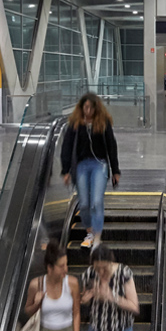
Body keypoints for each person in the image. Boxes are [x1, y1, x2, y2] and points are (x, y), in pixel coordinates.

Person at [61, 93, 121, 248]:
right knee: (84, 203)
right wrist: (65, 170)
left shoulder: (103, 122)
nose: (87, 111)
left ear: (96, 108)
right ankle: (89, 232)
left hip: (99, 164)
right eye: (85, 107)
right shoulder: (75, 123)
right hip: (81, 165)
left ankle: (97, 236)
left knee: (96, 201)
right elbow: (66, 146)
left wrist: (115, 170)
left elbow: (111, 145)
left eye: (90, 107)